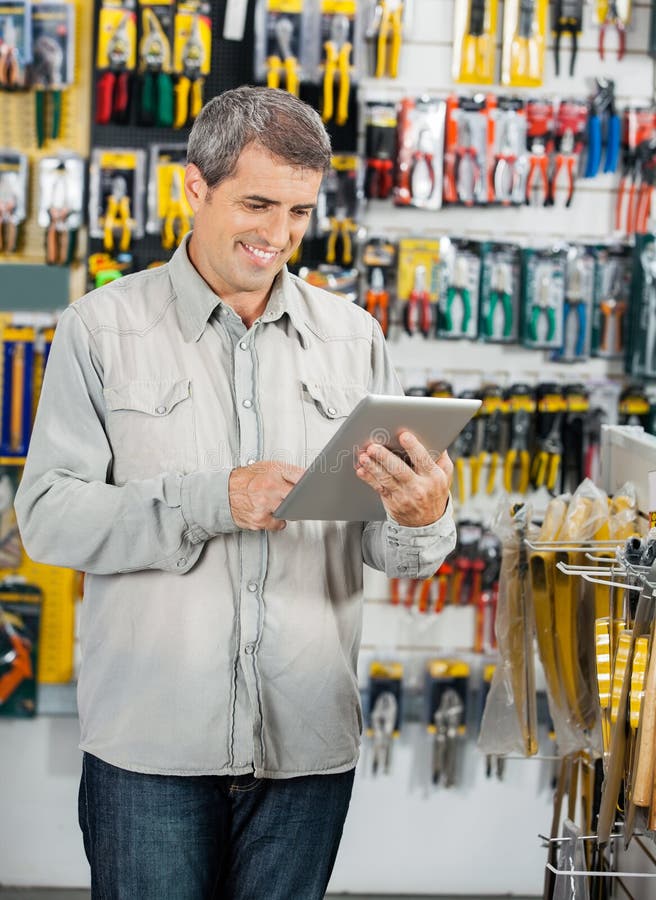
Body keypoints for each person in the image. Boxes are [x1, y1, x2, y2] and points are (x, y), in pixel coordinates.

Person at [15, 86, 456, 900]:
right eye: (257, 204)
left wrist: (422, 519)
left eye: (300, 211)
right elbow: (47, 519)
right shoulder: (100, 329)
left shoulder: (353, 338)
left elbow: (387, 548)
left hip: (306, 750)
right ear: (195, 186)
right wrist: (211, 500)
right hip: (150, 751)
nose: (279, 235)